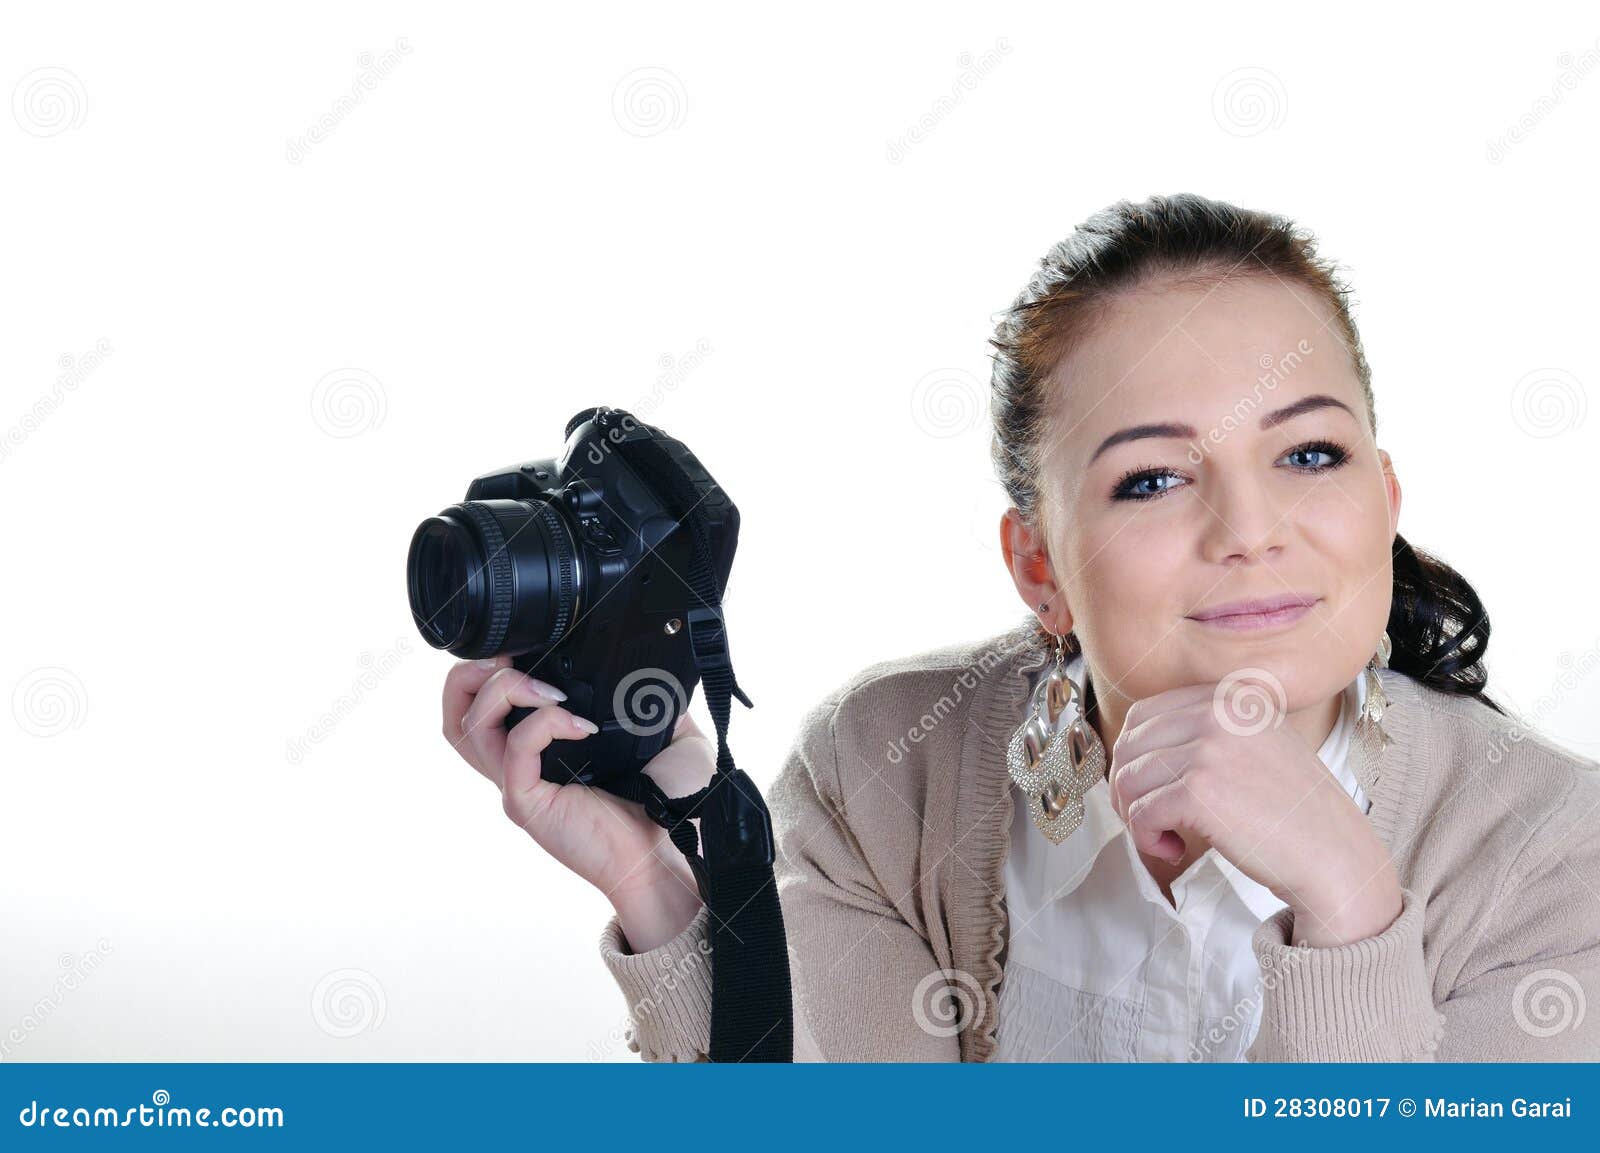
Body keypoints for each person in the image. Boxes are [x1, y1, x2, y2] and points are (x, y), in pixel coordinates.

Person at [440, 193, 1600, 1061]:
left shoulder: (1559, 855)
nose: (1252, 529)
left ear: (1384, 502)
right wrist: (666, 889)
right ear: (1037, 566)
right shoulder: (887, 768)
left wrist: (1348, 906)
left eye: (1309, 454)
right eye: (1152, 478)